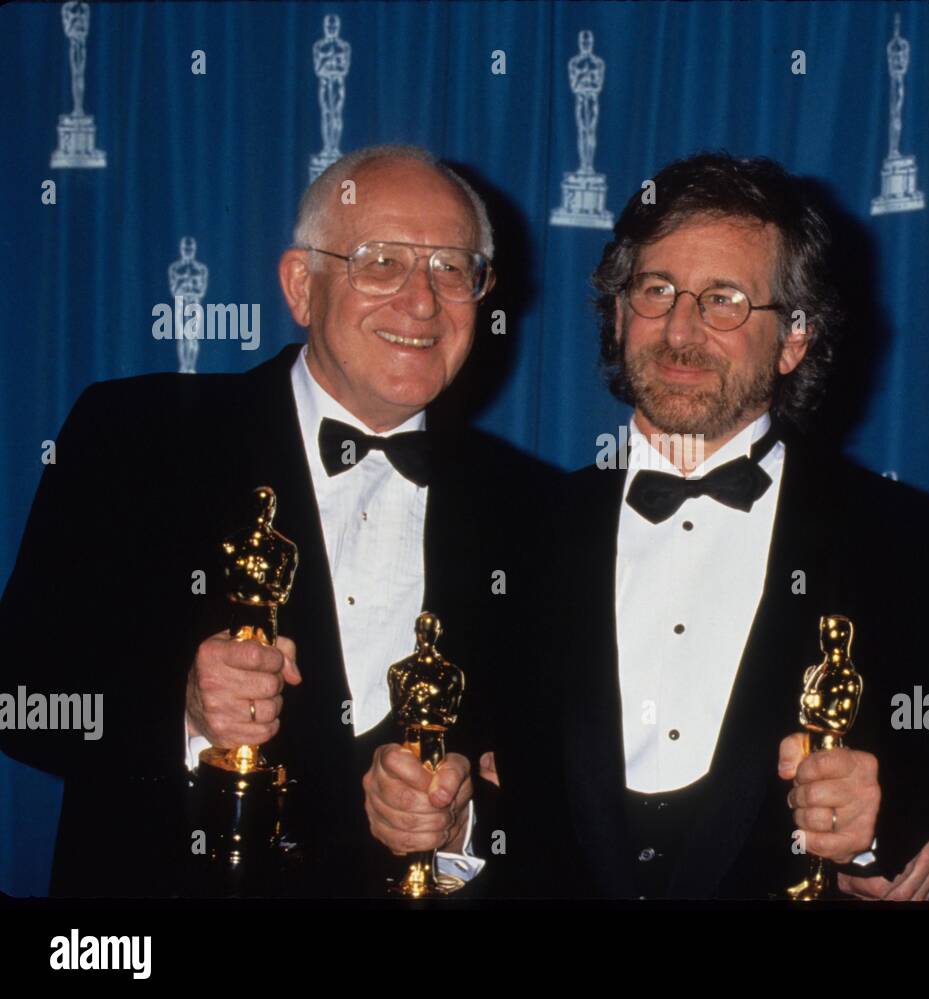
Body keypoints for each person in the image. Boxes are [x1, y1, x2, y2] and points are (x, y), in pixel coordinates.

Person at [0, 144, 554, 897]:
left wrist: (462, 822)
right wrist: (183, 714)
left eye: (452, 268)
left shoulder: (534, 508)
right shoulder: (135, 434)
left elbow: (557, 790)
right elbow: (23, 698)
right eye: (381, 261)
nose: (422, 301)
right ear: (301, 285)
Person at [402, 152, 929, 899]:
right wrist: (451, 822)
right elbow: (462, 798)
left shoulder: (911, 548)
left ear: (794, 338)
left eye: (725, 299)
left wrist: (873, 844)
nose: (681, 329)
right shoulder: (510, 534)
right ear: (620, 311)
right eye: (657, 289)